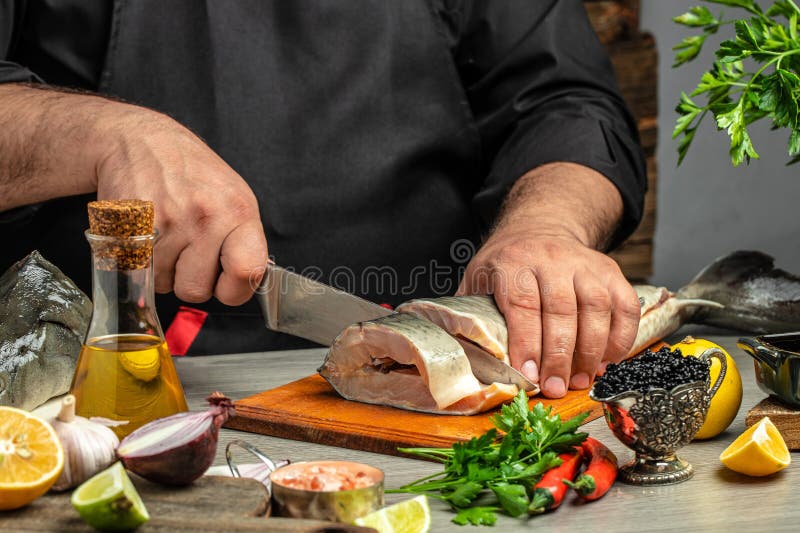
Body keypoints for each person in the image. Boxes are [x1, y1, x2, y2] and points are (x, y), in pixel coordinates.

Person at [0, 0, 646, 398]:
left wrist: (546, 224)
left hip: (433, 387)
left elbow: (565, 99)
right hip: (96, 394)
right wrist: (109, 136)